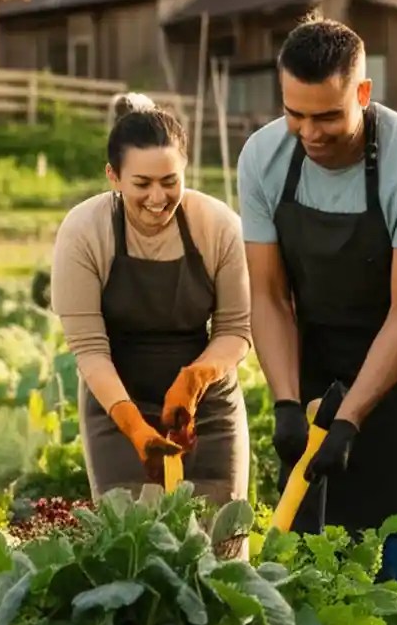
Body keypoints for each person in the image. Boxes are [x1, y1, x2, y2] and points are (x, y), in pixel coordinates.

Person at [238, 14, 397, 597]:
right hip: (317, 350)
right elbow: (268, 295)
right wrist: (287, 402)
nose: (309, 132)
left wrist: (350, 419)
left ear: (363, 94)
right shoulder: (262, 158)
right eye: (295, 113)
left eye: (328, 115)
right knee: (314, 552)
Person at [51, 93, 251, 516]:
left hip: (207, 408)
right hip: (118, 405)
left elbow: (236, 330)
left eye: (170, 181)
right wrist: (135, 428)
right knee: (132, 545)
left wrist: (195, 379)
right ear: (114, 176)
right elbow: (89, 349)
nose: (158, 198)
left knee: (222, 545)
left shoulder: (217, 226)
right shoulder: (85, 231)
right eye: (142, 184)